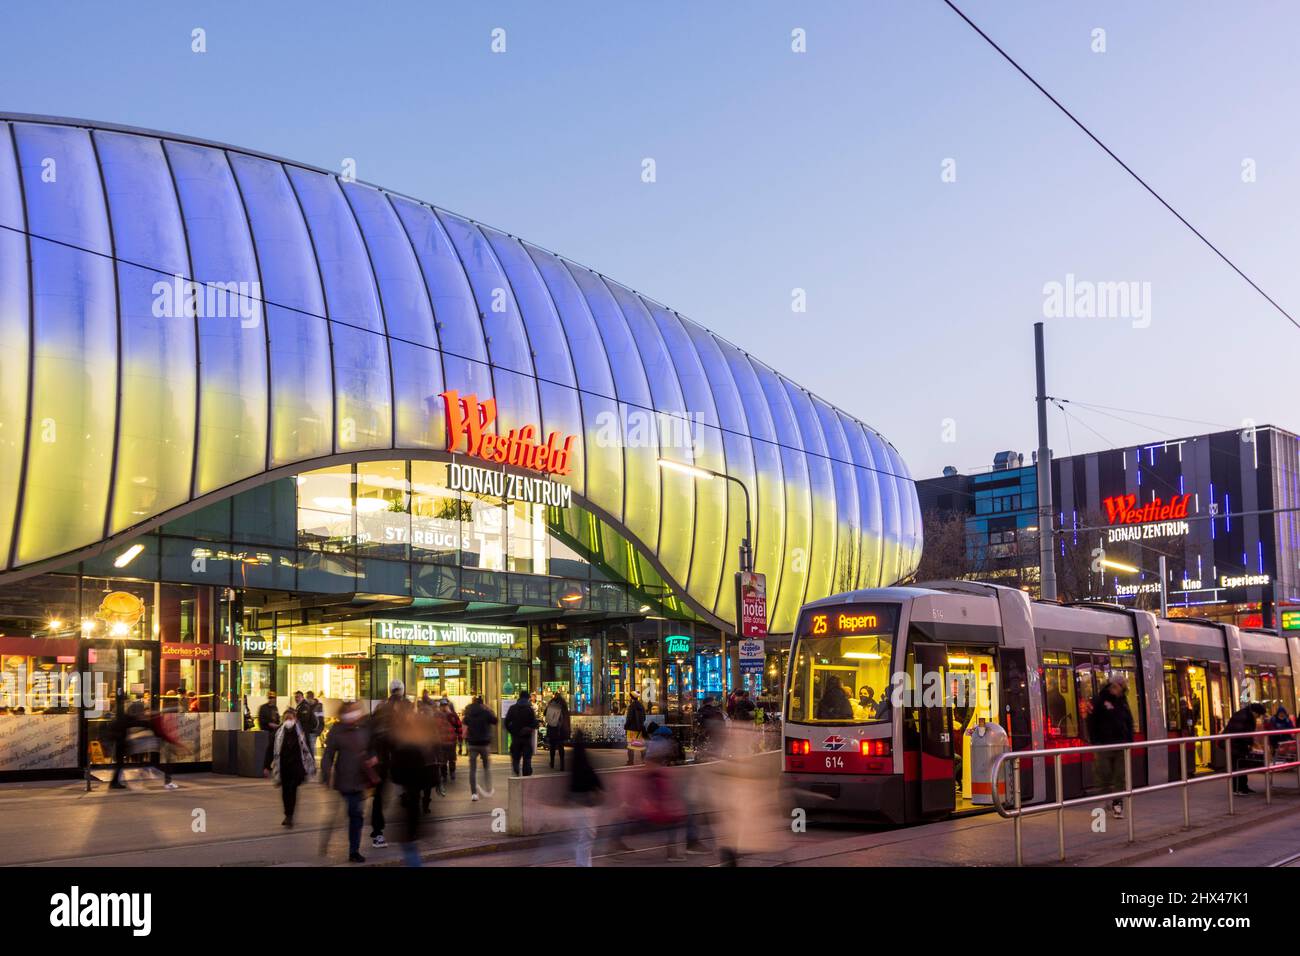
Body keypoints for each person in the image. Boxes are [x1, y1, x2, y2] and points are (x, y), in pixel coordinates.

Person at [320, 701, 374, 863]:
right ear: (343, 714)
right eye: (350, 712)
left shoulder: (364, 729)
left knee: (356, 814)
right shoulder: (337, 731)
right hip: (344, 779)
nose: (354, 715)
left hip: (360, 779)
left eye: (356, 711)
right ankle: (343, 843)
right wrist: (325, 774)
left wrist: (373, 757)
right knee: (353, 812)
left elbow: (372, 747)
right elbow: (328, 754)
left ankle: (354, 850)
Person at [1086, 675, 1135, 818]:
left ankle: (1117, 805)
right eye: (1122, 687)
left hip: (1121, 745)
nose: (1122, 691)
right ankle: (1104, 800)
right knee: (1103, 774)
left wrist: (1129, 740)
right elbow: (1091, 721)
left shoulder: (1122, 701)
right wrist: (1095, 742)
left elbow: (1129, 721)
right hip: (1104, 745)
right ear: (1115, 685)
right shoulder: (1099, 699)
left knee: (1120, 777)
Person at [367, 680, 408, 849]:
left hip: (382, 759)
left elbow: (372, 732)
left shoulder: (380, 708)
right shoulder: (406, 708)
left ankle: (377, 832)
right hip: (396, 758)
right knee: (405, 793)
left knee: (379, 796)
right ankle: (403, 831)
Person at [265, 707, 315, 826]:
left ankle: (289, 815)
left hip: (296, 767)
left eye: (290, 718)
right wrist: (266, 766)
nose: (288, 720)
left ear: (295, 719)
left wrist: (311, 765)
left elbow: (307, 750)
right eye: (286, 718)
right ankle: (288, 814)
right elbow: (270, 749)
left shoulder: (301, 733)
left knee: (292, 790)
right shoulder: (277, 733)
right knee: (285, 792)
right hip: (283, 767)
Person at [569, 730, 603, 866]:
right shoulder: (581, 755)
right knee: (587, 836)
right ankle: (583, 864)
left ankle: (584, 863)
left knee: (583, 836)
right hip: (585, 800)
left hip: (577, 798)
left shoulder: (574, 754)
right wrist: (599, 787)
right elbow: (588, 772)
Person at [1225, 702, 1268, 793]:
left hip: (1237, 744)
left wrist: (1250, 743)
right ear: (1255, 712)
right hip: (1234, 744)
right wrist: (1251, 743)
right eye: (1258, 715)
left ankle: (1243, 787)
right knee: (1237, 765)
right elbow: (1241, 733)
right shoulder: (1245, 716)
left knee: (1241, 765)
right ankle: (1237, 789)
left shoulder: (1246, 714)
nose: (1258, 717)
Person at [462, 695, 497, 799]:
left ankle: (474, 794)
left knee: (472, 769)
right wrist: (488, 709)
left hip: (472, 744)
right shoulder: (485, 712)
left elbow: (464, 723)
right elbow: (495, 720)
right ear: (482, 703)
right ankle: (488, 788)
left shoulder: (469, 712)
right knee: (486, 767)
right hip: (484, 744)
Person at [504, 689, 539, 776]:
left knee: (516, 756)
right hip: (526, 737)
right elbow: (534, 723)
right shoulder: (529, 709)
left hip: (516, 737)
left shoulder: (512, 708)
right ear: (527, 698)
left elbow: (506, 722)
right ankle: (526, 773)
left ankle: (516, 768)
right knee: (527, 758)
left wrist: (512, 731)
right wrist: (529, 728)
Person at [544, 691, 571, 771]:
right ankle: (562, 765)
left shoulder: (551, 703)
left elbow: (545, 713)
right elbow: (566, 717)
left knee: (552, 746)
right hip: (561, 729)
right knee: (561, 746)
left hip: (552, 728)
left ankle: (552, 763)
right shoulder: (563, 705)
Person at [624, 690, 647, 766]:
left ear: (631, 698)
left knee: (630, 745)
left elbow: (629, 718)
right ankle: (644, 760)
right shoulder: (641, 706)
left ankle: (630, 761)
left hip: (631, 729)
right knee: (641, 745)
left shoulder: (631, 706)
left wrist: (626, 726)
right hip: (640, 729)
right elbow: (644, 717)